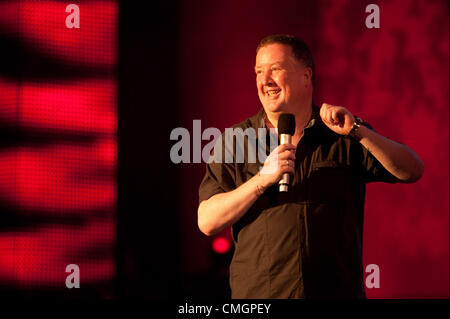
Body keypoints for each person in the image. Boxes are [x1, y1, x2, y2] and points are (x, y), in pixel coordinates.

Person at [197, 34, 424, 298]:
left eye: (276, 69)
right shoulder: (236, 140)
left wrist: (358, 131)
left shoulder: (341, 130)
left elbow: (412, 170)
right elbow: (207, 221)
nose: (265, 80)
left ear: (306, 77)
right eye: (259, 71)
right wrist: (261, 180)